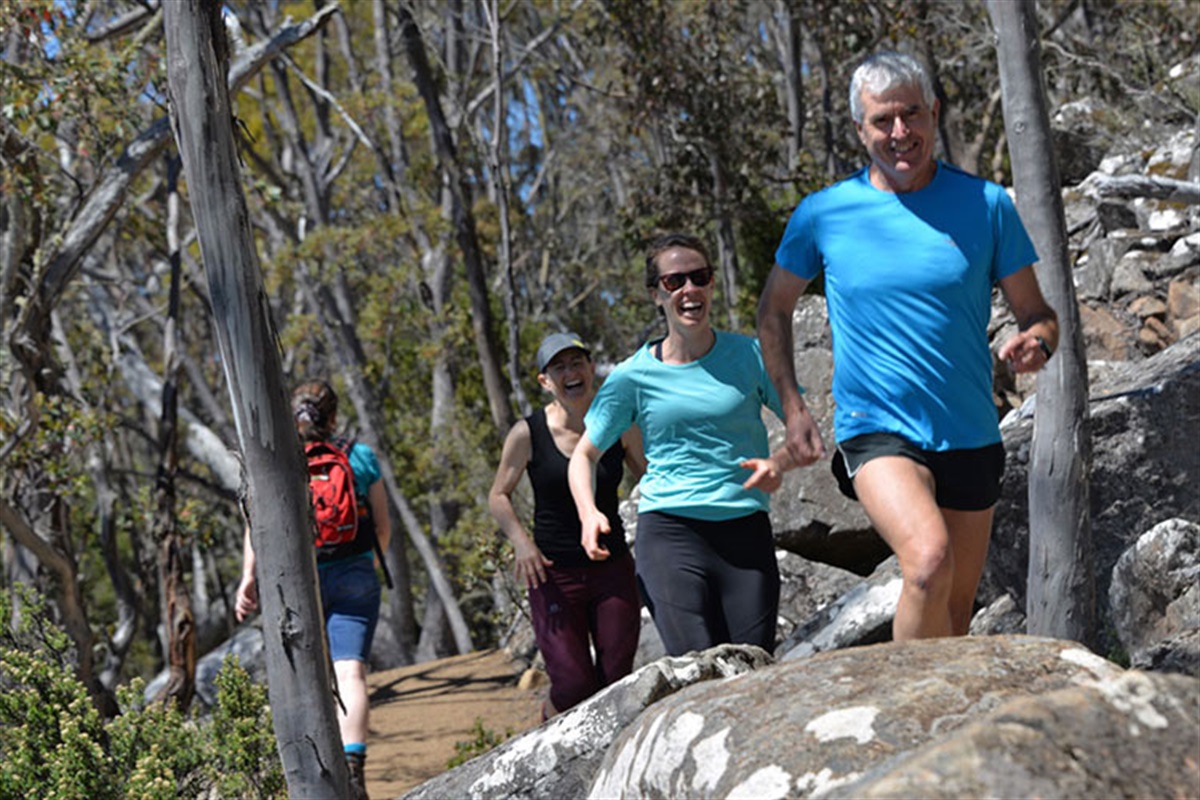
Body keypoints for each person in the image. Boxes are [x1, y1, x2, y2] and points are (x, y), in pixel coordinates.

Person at [757, 51, 1059, 641]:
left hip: (970, 431)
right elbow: (773, 309)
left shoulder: (987, 204)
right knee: (926, 562)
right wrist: (793, 406)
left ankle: (943, 727)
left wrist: (1037, 344)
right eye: (883, 121)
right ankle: (902, 730)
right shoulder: (825, 214)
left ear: (934, 113)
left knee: (953, 610)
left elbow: (1039, 314)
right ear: (859, 130)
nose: (901, 134)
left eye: (912, 115)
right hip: (876, 429)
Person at [568, 233, 799, 658]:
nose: (689, 290)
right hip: (671, 535)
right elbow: (584, 455)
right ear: (656, 294)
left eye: (699, 277)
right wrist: (588, 514)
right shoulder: (631, 377)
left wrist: (779, 461)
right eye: (675, 282)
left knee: (752, 668)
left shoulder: (750, 356)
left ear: (712, 285)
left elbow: (803, 429)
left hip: (745, 533)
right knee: (699, 671)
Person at [235, 380, 391, 799]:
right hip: (355, 573)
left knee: (302, 676)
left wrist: (248, 577)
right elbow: (382, 526)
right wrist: (365, 566)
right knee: (350, 670)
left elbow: (258, 526)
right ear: (334, 415)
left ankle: (305, 776)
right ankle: (354, 768)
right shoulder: (358, 456)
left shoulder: (278, 459)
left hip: (295, 580)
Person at [489, 332, 646, 717]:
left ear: (591, 368)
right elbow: (498, 496)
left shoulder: (620, 423)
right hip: (553, 575)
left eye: (577, 362)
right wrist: (522, 544)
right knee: (574, 684)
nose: (570, 372)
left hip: (612, 568)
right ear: (545, 381)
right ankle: (551, 727)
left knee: (615, 677)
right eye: (559, 367)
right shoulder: (528, 434)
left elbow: (650, 475)